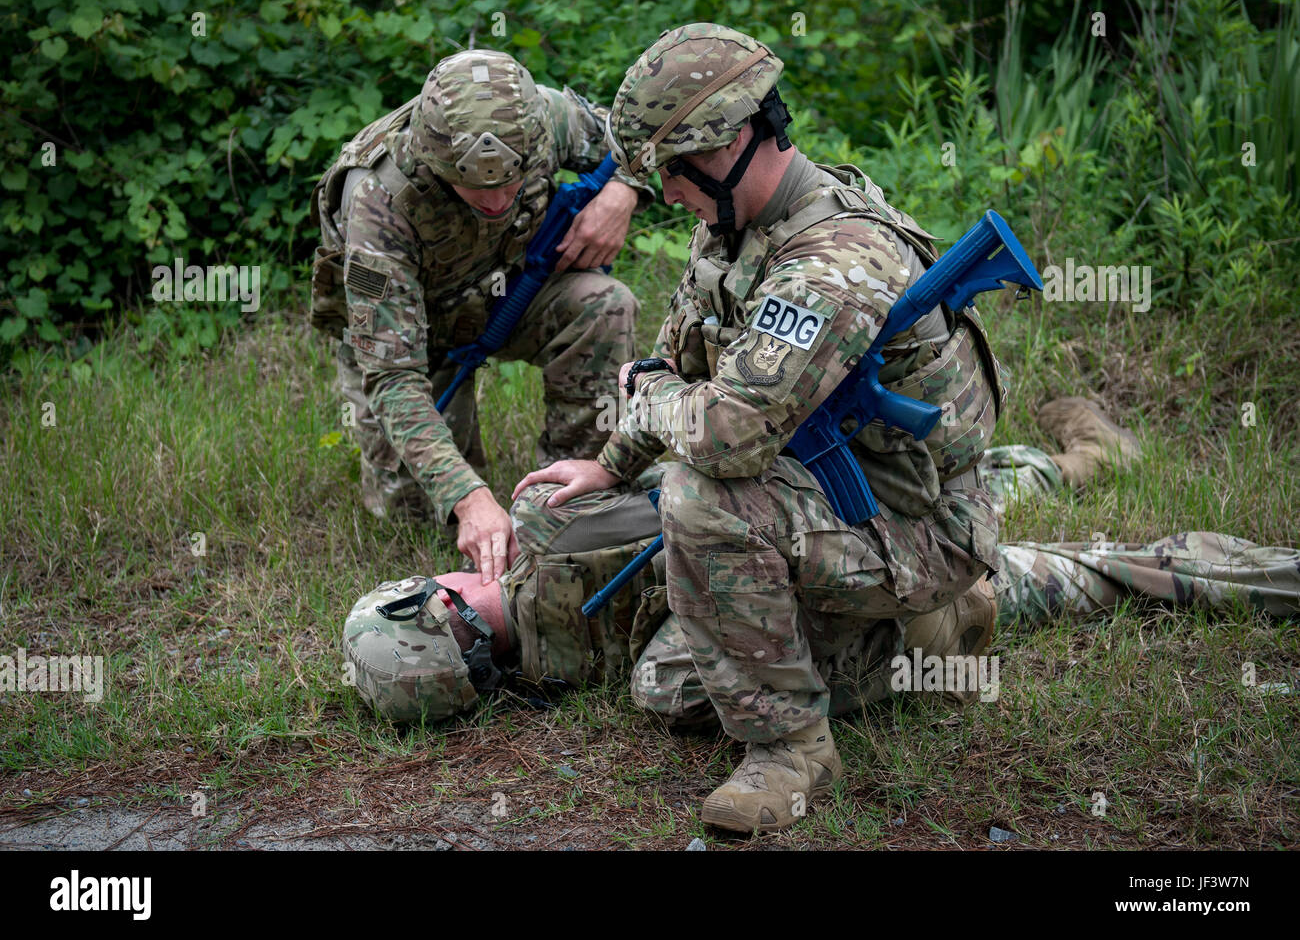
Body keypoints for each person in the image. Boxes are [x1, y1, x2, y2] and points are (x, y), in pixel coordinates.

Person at [509, 22, 1003, 832]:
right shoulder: (733, 225)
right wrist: (607, 462)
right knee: (669, 683)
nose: (666, 192)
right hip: (835, 487)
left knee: (701, 494)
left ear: (734, 141)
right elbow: (678, 359)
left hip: (914, 522)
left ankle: (795, 750)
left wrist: (655, 397)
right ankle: (906, 638)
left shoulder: (830, 262)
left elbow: (727, 431)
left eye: (674, 170)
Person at [341, 400, 1300, 762]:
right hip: (850, 548)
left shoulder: (583, 639)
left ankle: (1085, 454)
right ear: (446, 600)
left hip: (823, 521)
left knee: (1013, 517)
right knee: (1080, 566)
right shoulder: (553, 522)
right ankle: (1262, 573)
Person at [309, 48, 654, 584]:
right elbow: (393, 375)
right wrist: (468, 500)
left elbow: (642, 134)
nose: (496, 200)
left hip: (513, 289)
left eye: (510, 181)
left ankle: (570, 490)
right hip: (410, 329)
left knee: (606, 304)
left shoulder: (543, 117)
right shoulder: (375, 199)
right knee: (417, 517)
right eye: (475, 185)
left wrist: (622, 190)